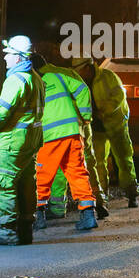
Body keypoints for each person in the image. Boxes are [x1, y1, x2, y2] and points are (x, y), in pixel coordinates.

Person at [0, 35, 45, 246]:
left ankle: (8, 232)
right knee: (27, 182)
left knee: (5, 183)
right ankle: (26, 229)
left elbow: (2, 112)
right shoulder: (36, 78)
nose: (5, 59)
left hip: (14, 140)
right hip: (32, 139)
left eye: (9, 55)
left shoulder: (15, 81)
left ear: (18, 58)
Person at [33, 51, 100, 232]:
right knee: (78, 173)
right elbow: (83, 89)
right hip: (72, 133)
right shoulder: (59, 76)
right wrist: (85, 117)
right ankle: (88, 216)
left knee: (41, 175)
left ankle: (38, 217)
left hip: (50, 137)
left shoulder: (35, 83)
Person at [73, 57, 139, 209]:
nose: (79, 75)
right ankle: (102, 198)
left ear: (87, 68)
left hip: (116, 125)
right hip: (96, 128)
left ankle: (131, 193)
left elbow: (119, 96)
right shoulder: (80, 82)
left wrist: (104, 111)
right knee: (98, 163)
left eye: (80, 71)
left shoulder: (108, 76)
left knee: (124, 159)